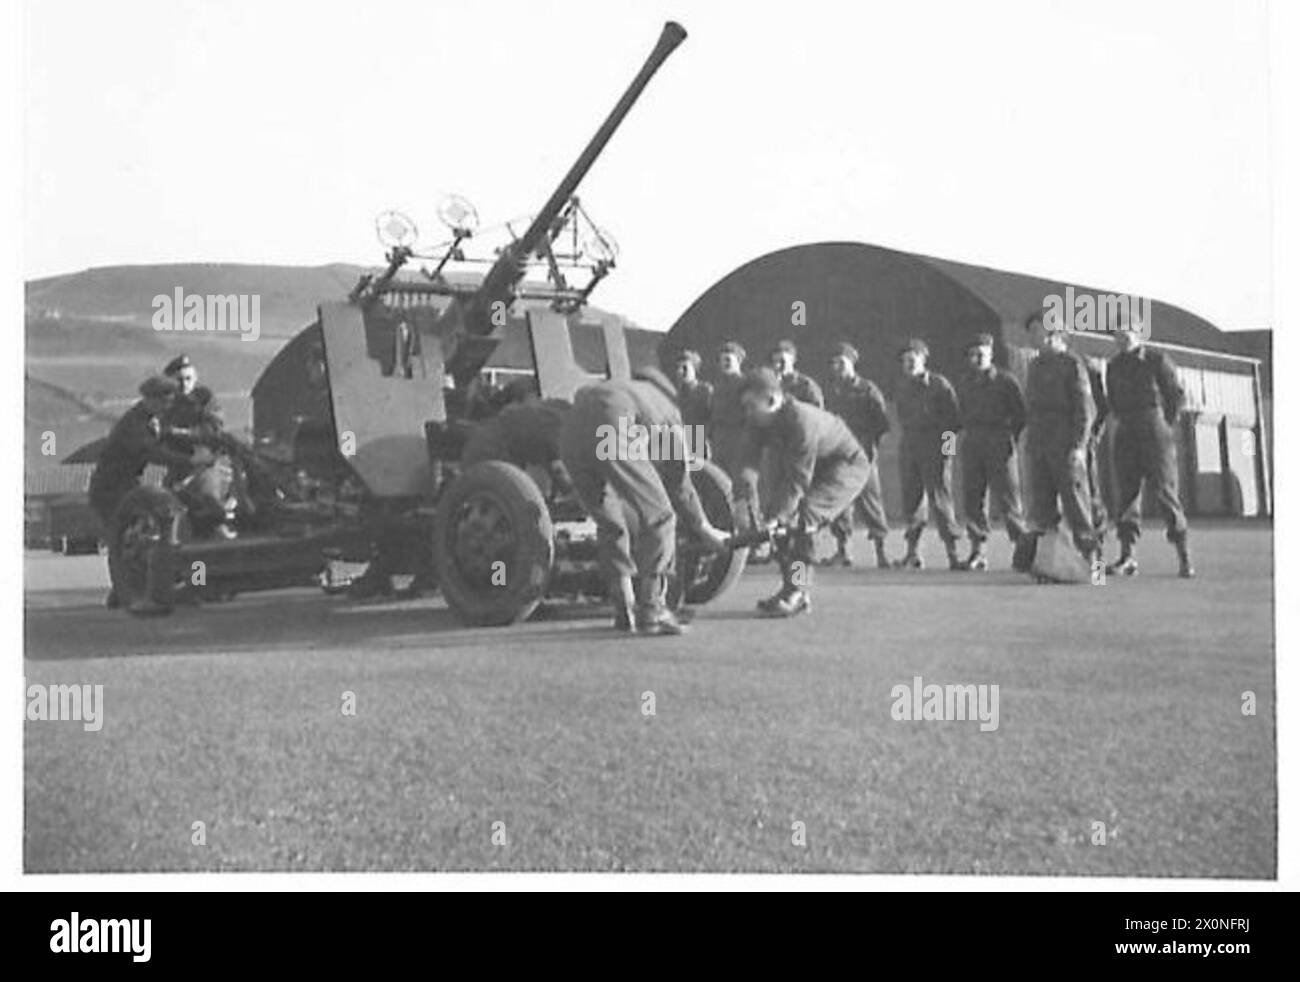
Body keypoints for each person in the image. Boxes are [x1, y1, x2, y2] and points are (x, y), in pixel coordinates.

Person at [558, 366, 730, 635]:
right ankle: (653, 610)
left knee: (610, 522)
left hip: (571, 431)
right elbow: (680, 480)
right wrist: (704, 527)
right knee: (661, 516)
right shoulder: (669, 410)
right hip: (611, 423)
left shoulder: (623, 390)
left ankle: (623, 606)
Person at [731, 368, 874, 617]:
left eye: (751, 406)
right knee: (778, 520)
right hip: (813, 465)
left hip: (847, 465)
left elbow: (797, 482)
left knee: (802, 520)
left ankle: (797, 592)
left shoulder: (800, 421)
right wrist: (743, 502)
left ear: (772, 400)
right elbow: (747, 465)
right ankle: (791, 589)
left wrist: (777, 518)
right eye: (744, 407)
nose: (747, 413)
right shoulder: (758, 420)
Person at [89, 376, 209, 608]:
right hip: (110, 489)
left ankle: (124, 591)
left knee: (133, 538)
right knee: (120, 539)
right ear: (151, 399)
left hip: (127, 484)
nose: (167, 407)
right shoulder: (134, 424)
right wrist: (191, 460)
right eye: (164, 402)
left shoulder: (149, 419)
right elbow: (152, 452)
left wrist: (200, 439)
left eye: (170, 402)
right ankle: (123, 593)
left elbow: (166, 436)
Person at [1104, 316, 1194, 577]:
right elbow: (1113, 400)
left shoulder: (1156, 360)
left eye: (1126, 334)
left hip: (1154, 429)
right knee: (1127, 496)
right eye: (1117, 336)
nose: (1121, 340)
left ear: (1138, 335)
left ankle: (1184, 556)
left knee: (1166, 493)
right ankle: (1127, 557)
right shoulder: (1114, 365)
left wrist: (1165, 425)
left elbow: (1175, 395)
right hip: (1126, 431)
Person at [1019, 318, 1099, 569]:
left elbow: (1086, 410)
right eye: (1030, 331)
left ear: (1054, 334)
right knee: (1042, 510)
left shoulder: (1072, 364)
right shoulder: (1035, 366)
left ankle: (1096, 569)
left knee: (1078, 508)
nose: (1031, 336)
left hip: (1065, 444)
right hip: (1040, 444)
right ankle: (1048, 566)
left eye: (1036, 331)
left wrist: (1079, 445)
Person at [955, 332, 1027, 570]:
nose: (976, 359)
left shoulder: (1005, 381)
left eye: (981, 354)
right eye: (972, 355)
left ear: (991, 354)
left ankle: (1023, 551)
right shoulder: (964, 382)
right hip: (973, 442)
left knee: (1008, 500)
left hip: (999, 440)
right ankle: (978, 552)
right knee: (973, 499)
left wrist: (1010, 441)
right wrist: (949, 448)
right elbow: (954, 420)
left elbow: (1021, 415)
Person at [892, 339, 963, 570]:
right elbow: (902, 418)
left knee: (940, 501)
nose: (909, 364)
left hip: (935, 447)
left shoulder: (939, 385)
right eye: (905, 361)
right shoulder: (902, 386)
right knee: (911, 502)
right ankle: (913, 553)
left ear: (924, 359)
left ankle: (953, 554)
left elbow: (954, 421)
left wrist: (947, 454)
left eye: (913, 359)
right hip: (911, 446)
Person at [822, 342, 893, 568]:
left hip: (862, 454)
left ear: (852, 363)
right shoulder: (832, 390)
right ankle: (843, 551)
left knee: (871, 503)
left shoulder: (868, 389)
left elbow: (882, 424)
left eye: (841, 362)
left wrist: (869, 448)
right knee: (840, 505)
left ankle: (881, 553)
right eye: (834, 363)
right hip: (838, 455)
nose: (837, 367)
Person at [160, 354, 233, 538]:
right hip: (178, 466)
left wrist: (182, 433)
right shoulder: (165, 404)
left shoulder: (204, 399)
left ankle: (221, 533)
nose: (184, 384)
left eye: (188, 379)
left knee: (209, 501)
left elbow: (213, 430)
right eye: (179, 380)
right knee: (163, 506)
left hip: (204, 464)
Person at [708, 341, 748, 478]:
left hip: (738, 439)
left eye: (728, 360)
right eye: (722, 360)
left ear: (738, 361)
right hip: (719, 440)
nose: (725, 363)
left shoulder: (746, 384)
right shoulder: (717, 387)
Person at [769, 339, 824, 408]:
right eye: (775, 361)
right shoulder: (769, 386)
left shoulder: (806, 385)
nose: (778, 365)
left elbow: (817, 413)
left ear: (793, 360)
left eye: (782, 362)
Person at [674, 349, 713, 439]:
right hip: (683, 440)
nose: (680, 371)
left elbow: (713, 418)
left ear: (695, 369)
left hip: (701, 438)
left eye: (685, 368)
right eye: (678, 368)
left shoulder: (705, 390)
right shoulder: (677, 394)